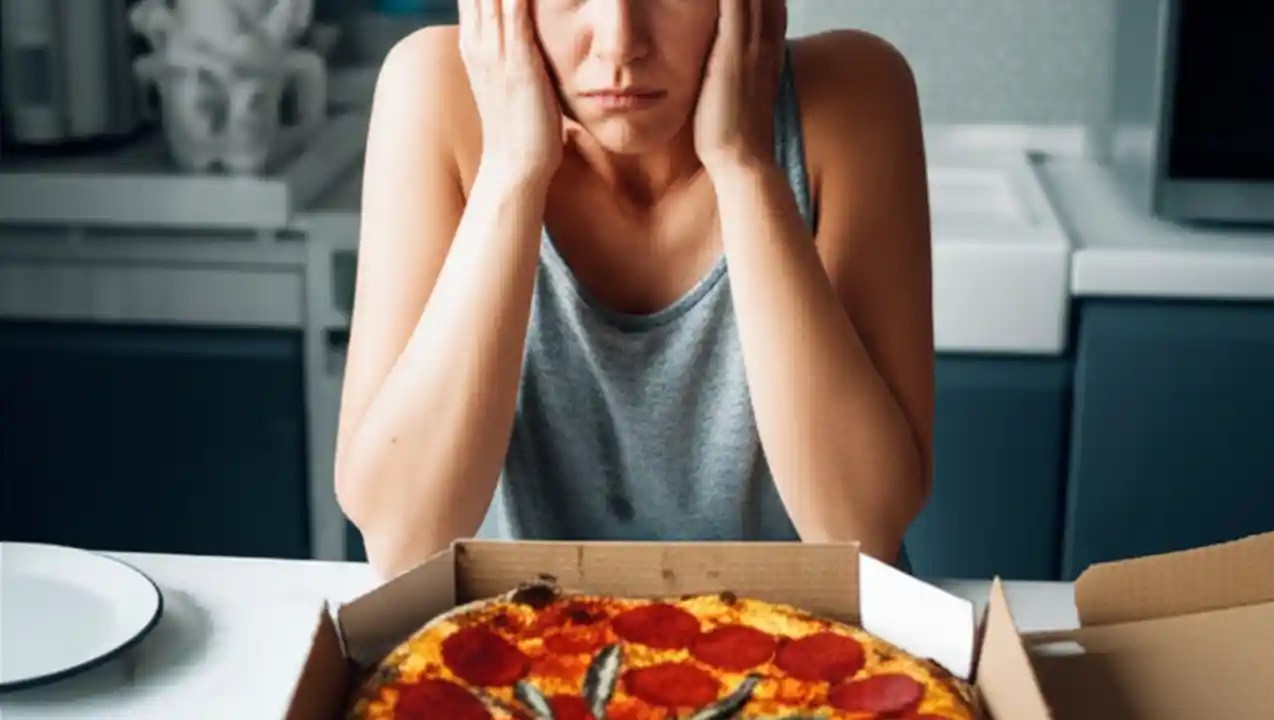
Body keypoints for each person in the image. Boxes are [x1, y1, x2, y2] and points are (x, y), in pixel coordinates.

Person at [335, 0, 935, 580]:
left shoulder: (857, 95)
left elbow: (862, 536)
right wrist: (515, 166)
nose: (621, 40)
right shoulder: (435, 88)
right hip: (521, 656)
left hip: (807, 665)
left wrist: (743, 164)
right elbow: (403, 544)